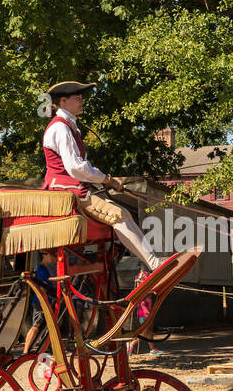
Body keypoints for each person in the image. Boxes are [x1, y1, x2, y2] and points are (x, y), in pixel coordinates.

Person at [41, 80, 162, 275]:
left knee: (124, 215)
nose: (82, 102)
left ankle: (153, 262)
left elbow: (80, 168)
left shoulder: (69, 127)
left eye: (82, 98)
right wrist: (106, 179)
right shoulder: (61, 128)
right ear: (63, 102)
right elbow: (75, 168)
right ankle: (155, 264)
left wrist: (106, 181)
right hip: (67, 190)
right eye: (77, 98)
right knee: (120, 215)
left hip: (73, 187)